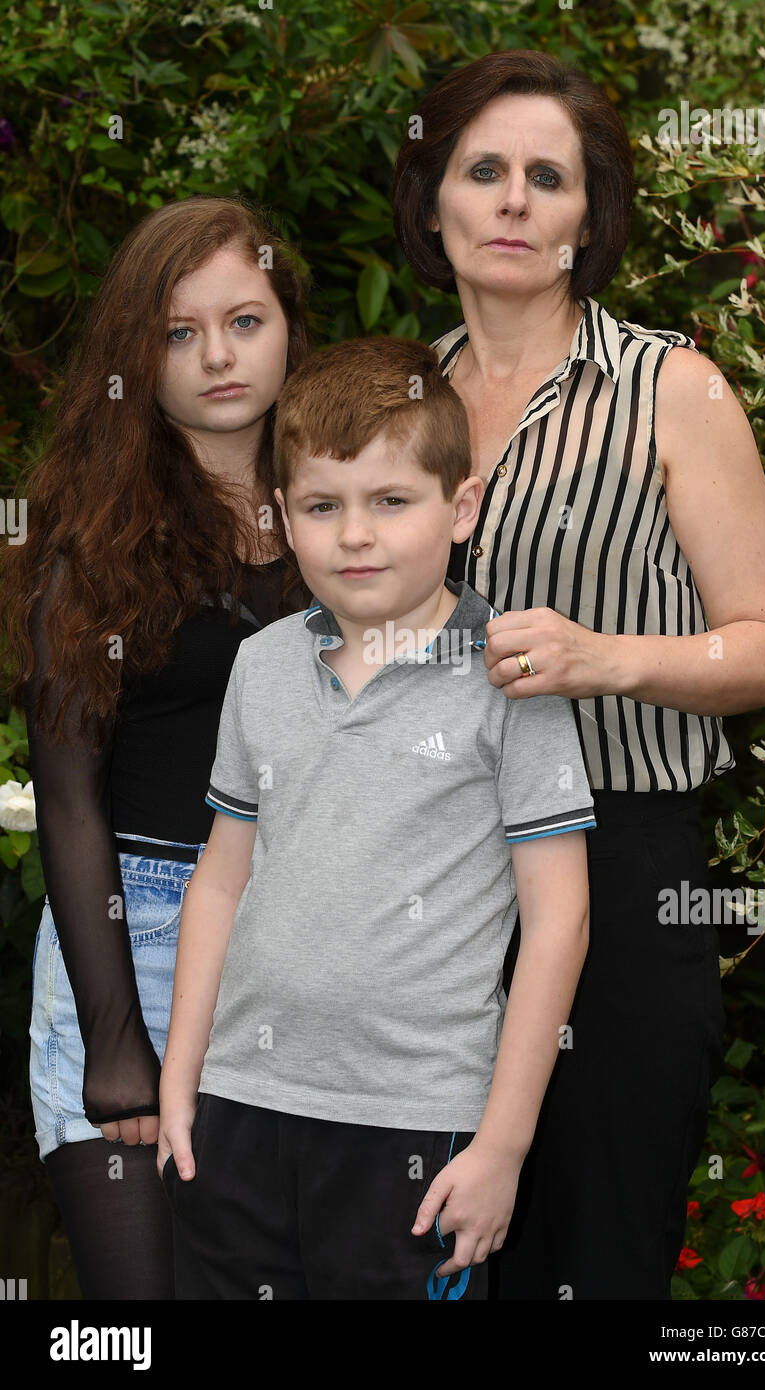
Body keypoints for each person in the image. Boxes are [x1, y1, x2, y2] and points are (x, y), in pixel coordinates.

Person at [390, 50, 765, 1299]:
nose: (514, 200)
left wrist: (599, 657)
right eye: (484, 170)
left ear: (588, 217)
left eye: (548, 177)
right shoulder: (406, 393)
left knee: (600, 1252)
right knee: (437, 1251)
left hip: (623, 877)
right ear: (436, 204)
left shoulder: (672, 389)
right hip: (439, 879)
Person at [157, 335, 596, 1301]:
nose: (355, 535)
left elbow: (559, 918)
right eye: (322, 506)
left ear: (461, 505)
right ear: (284, 518)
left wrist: (502, 1147)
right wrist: (180, 1082)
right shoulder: (261, 664)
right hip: (240, 1109)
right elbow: (221, 878)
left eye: (391, 501)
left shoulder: (511, 679)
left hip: (418, 1131)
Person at [1, 196, 312, 1299]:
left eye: (245, 320)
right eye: (179, 333)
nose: (218, 357)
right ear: (138, 354)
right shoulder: (91, 539)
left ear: (290, 326)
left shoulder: (348, 515)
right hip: (136, 930)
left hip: (307, 950)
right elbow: (70, 800)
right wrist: (115, 1044)